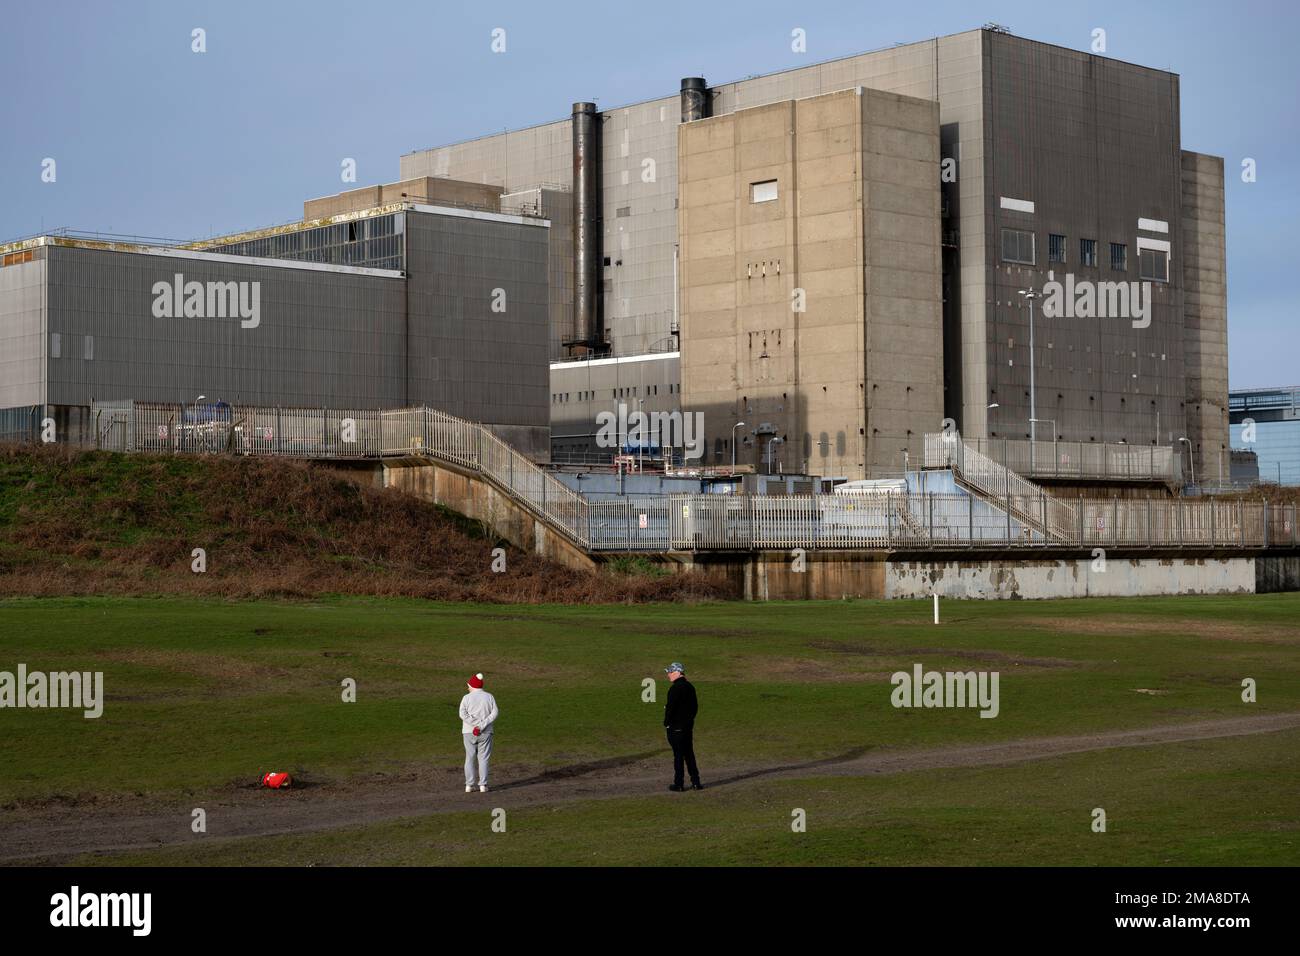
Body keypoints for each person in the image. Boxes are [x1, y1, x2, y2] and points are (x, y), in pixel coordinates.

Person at [663, 662, 703, 791]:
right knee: (689, 754)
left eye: (670, 672)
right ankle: (696, 782)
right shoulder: (690, 687)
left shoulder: (675, 688)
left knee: (678, 756)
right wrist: (689, 721)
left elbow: (670, 708)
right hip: (687, 727)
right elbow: (694, 708)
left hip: (676, 728)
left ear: (678, 672)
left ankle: (679, 784)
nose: (668, 674)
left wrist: (667, 723)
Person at [459, 672, 498, 793]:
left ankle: (469, 785)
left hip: (468, 732)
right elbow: (495, 713)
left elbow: (462, 714)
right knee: (483, 759)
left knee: (469, 758)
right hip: (486, 732)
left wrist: (475, 724)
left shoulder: (466, 697)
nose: (467, 687)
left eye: (469, 685)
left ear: (473, 686)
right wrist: (481, 724)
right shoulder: (489, 697)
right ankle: (483, 785)